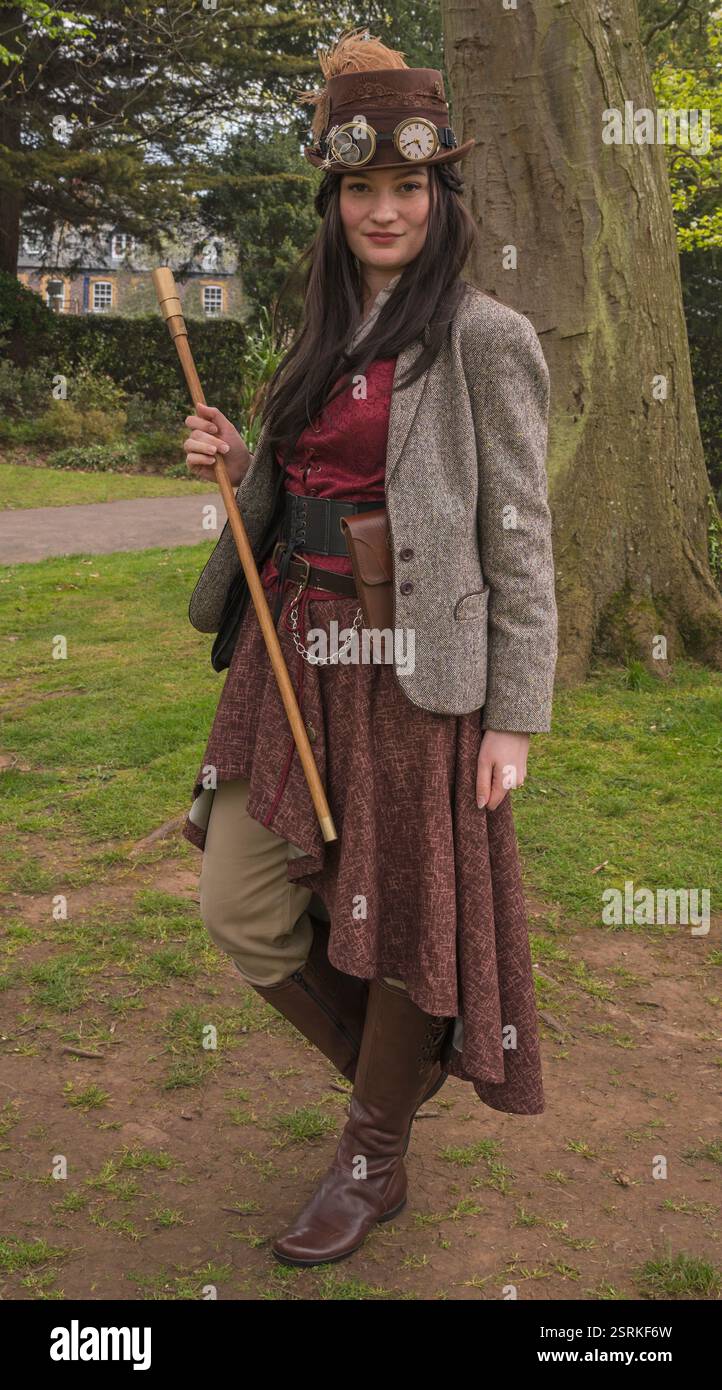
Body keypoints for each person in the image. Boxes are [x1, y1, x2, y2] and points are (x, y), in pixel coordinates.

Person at [180, 29, 557, 1268]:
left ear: (437, 196)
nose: (383, 210)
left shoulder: (485, 336)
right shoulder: (322, 326)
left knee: (403, 914)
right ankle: (405, 1068)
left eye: (405, 188)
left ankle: (369, 1152)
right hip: (290, 657)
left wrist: (512, 714)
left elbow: (520, 537)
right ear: (333, 198)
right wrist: (241, 473)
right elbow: (296, 492)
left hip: (414, 672)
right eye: (359, 190)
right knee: (243, 903)